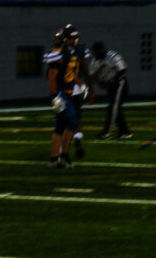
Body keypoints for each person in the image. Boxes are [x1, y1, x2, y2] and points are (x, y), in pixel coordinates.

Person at [43, 23, 89, 168]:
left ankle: (54, 158)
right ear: (64, 39)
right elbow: (51, 77)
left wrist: (81, 85)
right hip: (61, 93)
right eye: (71, 38)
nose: (74, 40)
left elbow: (70, 74)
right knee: (73, 120)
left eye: (76, 38)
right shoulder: (57, 54)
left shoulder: (74, 53)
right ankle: (64, 156)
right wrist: (54, 96)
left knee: (59, 126)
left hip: (69, 92)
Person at [87, 41, 134, 139]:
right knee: (115, 109)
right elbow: (92, 74)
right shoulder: (95, 61)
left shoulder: (113, 56)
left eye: (97, 51)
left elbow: (122, 69)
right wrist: (100, 83)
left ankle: (107, 132)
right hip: (110, 86)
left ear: (102, 49)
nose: (96, 53)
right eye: (95, 51)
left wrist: (113, 80)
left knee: (113, 108)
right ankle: (124, 132)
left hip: (120, 83)